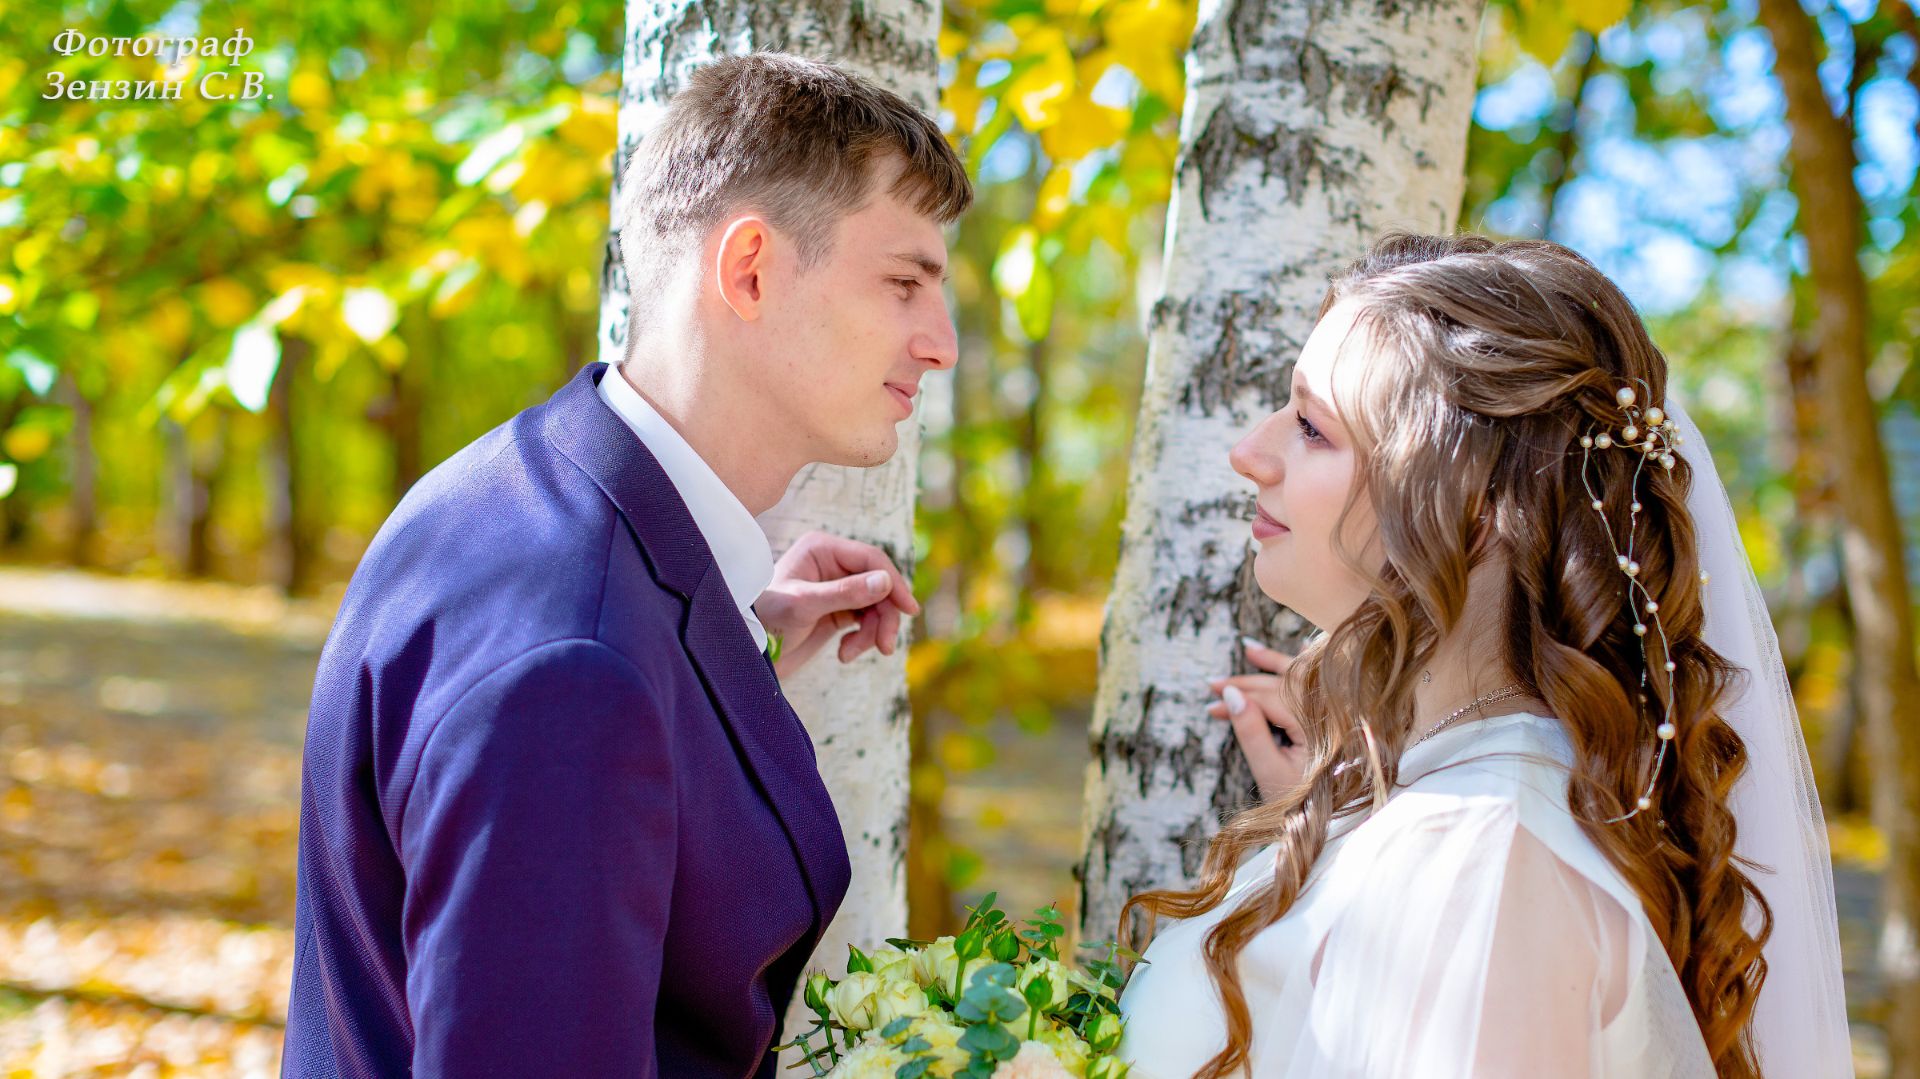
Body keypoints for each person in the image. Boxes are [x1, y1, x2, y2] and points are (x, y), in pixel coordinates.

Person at [282, 53, 971, 1076]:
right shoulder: (576, 664)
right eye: (905, 283)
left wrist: (731, 646)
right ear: (750, 270)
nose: (942, 343)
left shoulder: (516, 495)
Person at [1117, 234, 1852, 1077]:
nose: (1249, 451)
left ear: (1474, 506)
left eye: (1313, 427)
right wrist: (1344, 822)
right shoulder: (1458, 818)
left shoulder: (1481, 858)